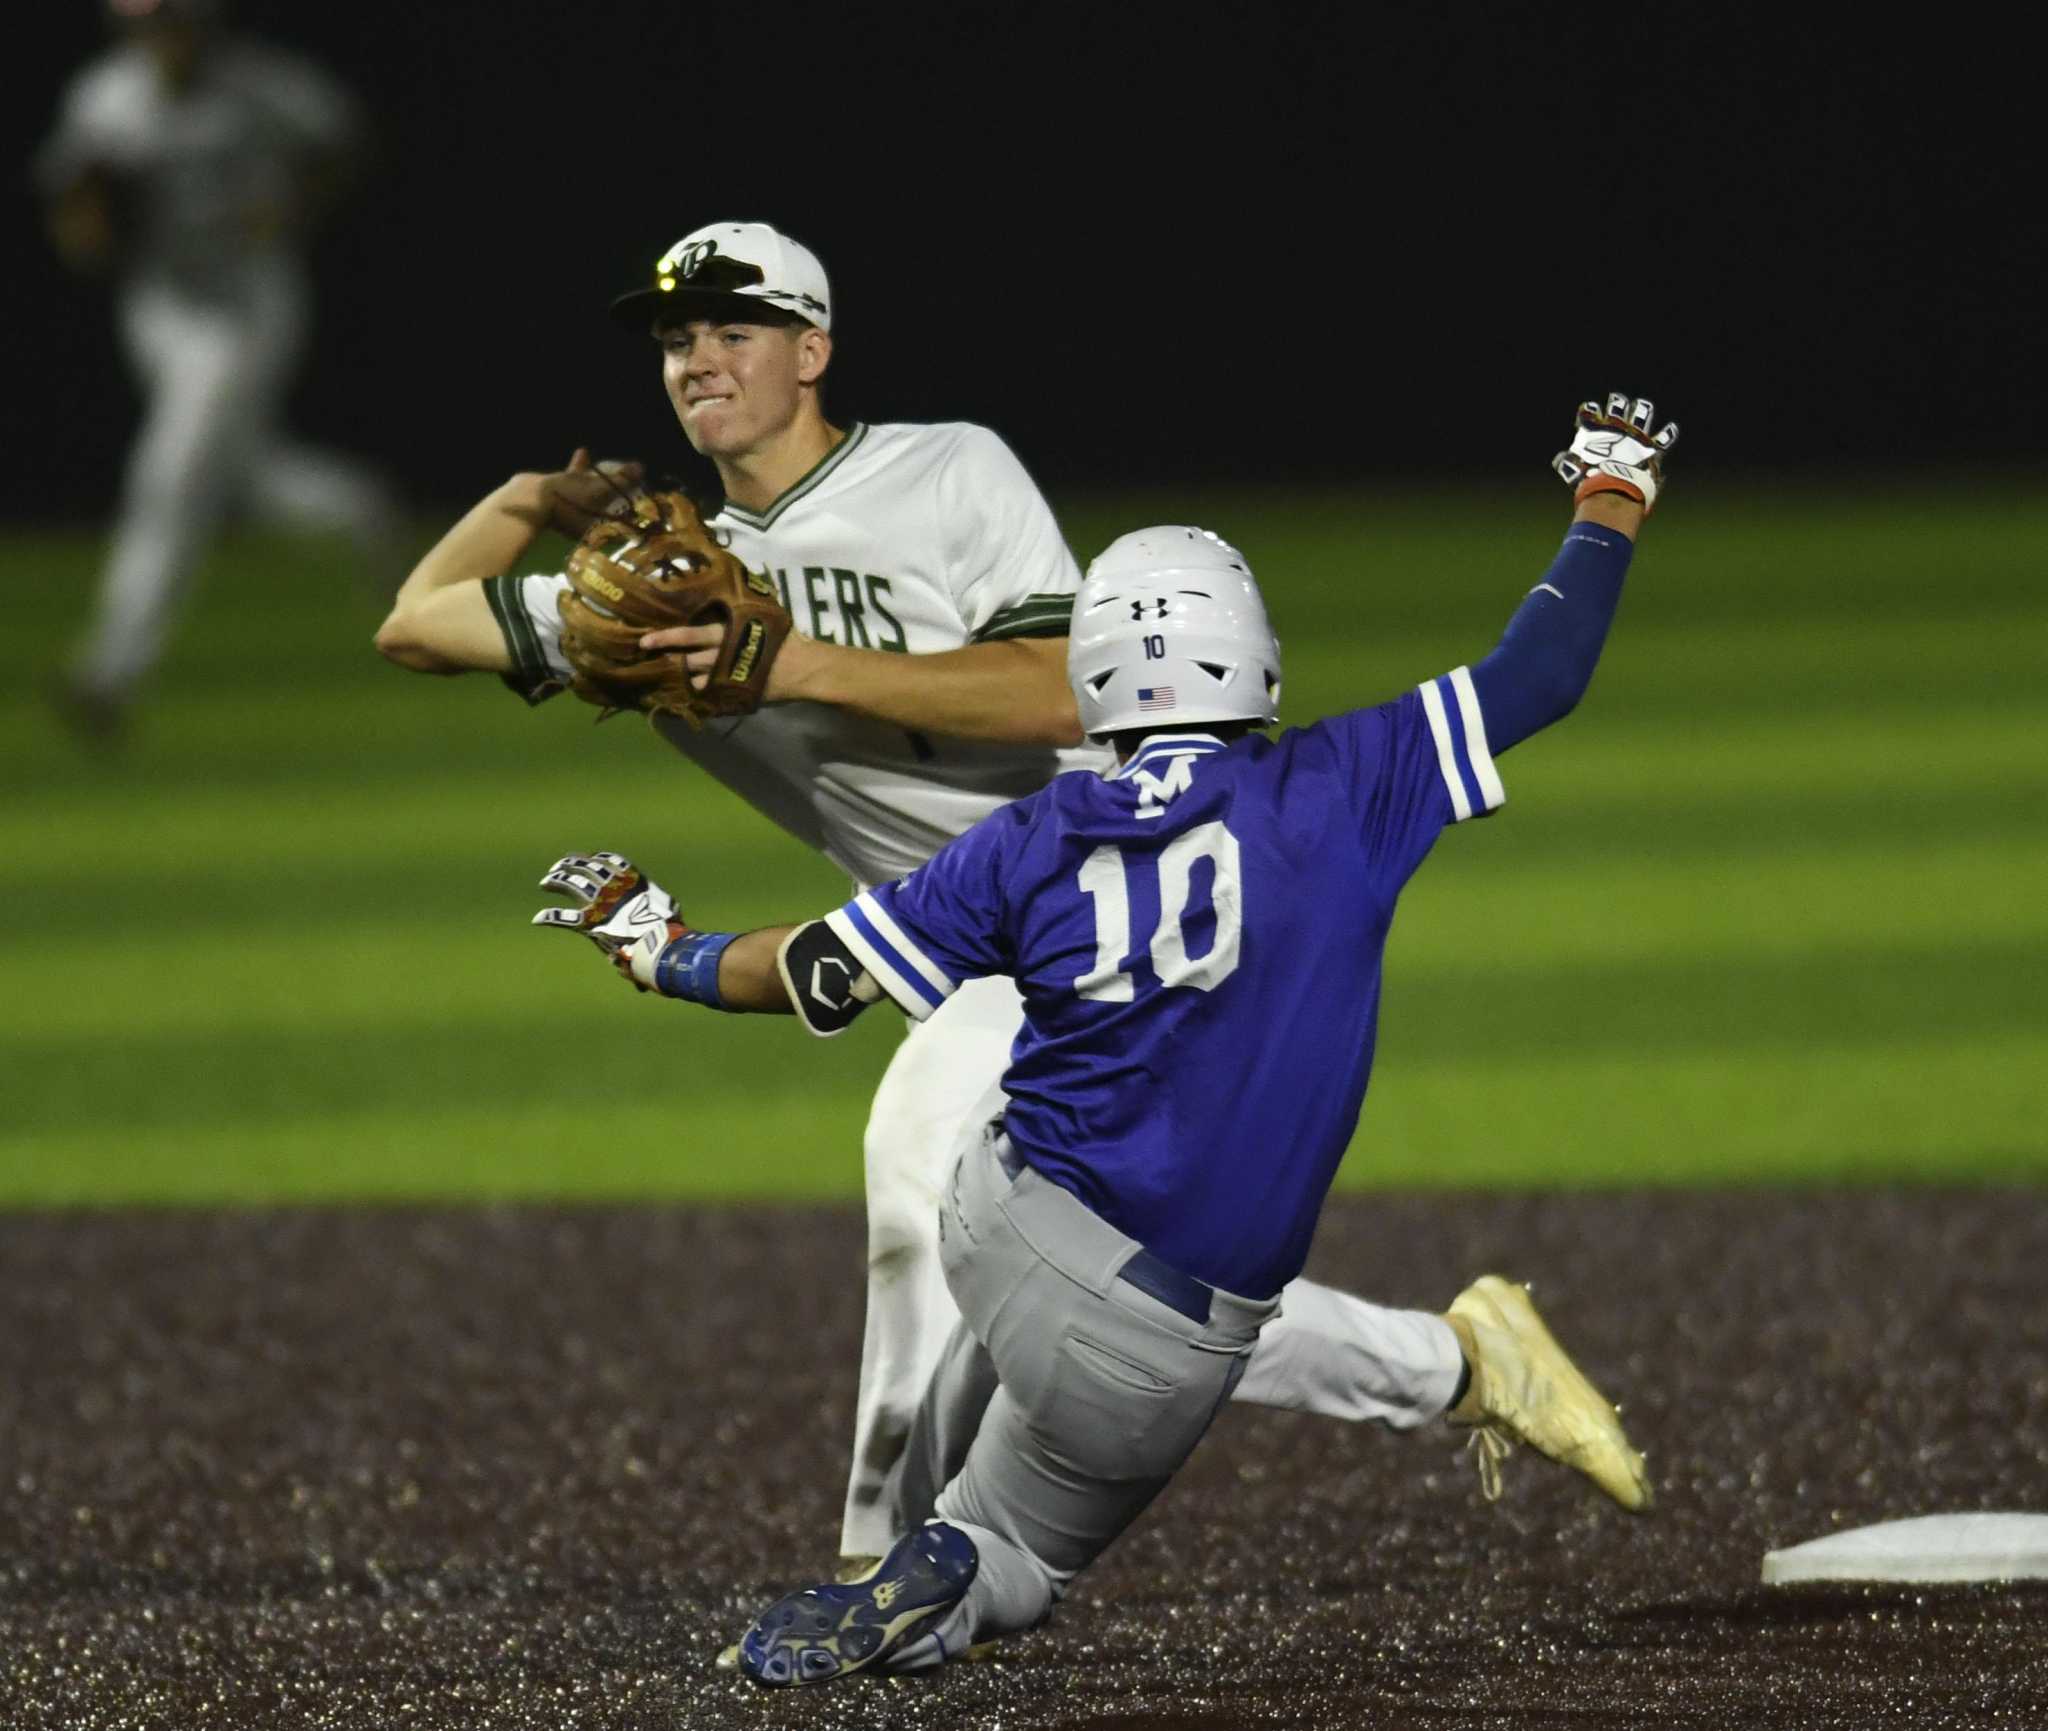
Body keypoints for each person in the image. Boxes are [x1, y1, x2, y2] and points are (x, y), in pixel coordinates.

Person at [377, 221, 1561, 1579]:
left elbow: (1067, 691)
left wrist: (795, 664)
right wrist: (535, 495)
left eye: (732, 330)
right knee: (1090, 1279)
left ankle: (880, 1569)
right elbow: (414, 623)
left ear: (811, 350)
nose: (697, 358)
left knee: (921, 1196)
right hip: (945, 940)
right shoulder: (658, 590)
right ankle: (1458, 1363)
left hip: (1094, 887)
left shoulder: (945, 471)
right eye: (676, 339)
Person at [529, 393, 1676, 1684]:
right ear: (1253, 654)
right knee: (1018, 1556)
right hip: (1154, 1348)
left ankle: (903, 1538)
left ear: (1093, 678)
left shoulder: (1027, 836)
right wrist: (1611, 490)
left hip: (1000, 1223)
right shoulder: (1349, 781)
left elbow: (813, 971)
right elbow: (1543, 669)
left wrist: (660, 947)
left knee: (977, 1118)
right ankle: (953, 1550)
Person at [37, 0, 397, 743]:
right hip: (159, 307)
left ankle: (109, 672)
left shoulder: (260, 87)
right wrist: (85, 226)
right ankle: (363, 514)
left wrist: (293, 207)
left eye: (171, 20)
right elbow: (73, 194)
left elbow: (343, 141)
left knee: (171, 474)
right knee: (249, 480)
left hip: (248, 306)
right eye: (145, 25)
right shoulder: (108, 95)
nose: (160, 37)